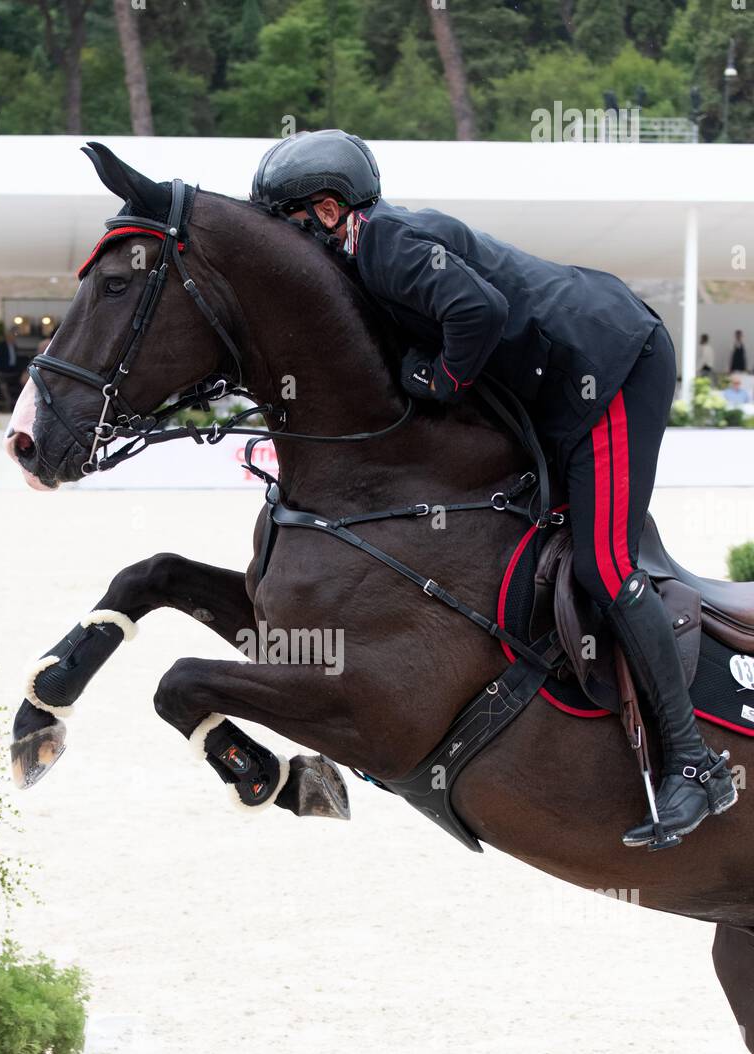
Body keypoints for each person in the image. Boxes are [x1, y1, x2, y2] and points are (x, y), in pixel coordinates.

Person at [251, 129, 737, 848]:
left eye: (286, 226)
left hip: (612, 365)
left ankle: (696, 767)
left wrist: (438, 378)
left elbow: (479, 314)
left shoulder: (387, 243)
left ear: (326, 210)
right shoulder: (364, 253)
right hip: (563, 378)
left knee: (604, 564)